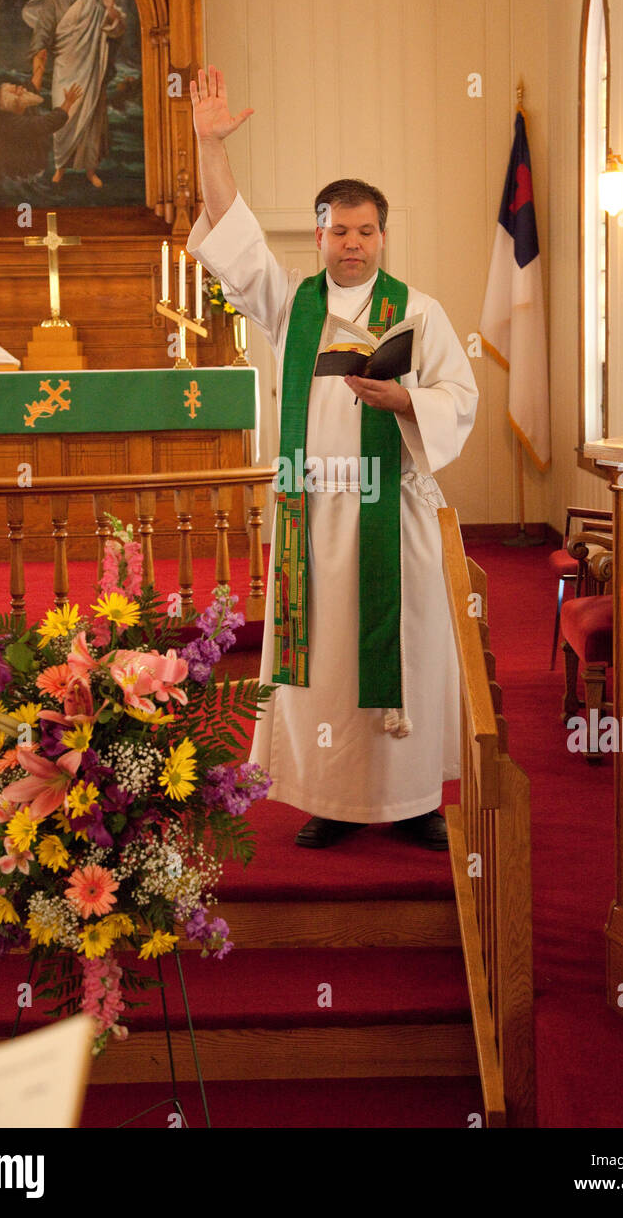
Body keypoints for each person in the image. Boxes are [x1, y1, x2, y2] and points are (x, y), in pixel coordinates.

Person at [187, 65, 479, 850]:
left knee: (404, 650)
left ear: (384, 235)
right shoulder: (292, 304)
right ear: (317, 235)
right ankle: (330, 797)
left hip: (395, 511)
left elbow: (462, 396)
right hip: (312, 514)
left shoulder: (420, 311)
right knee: (326, 665)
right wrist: (208, 145)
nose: (351, 243)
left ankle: (412, 797)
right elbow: (232, 234)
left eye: (365, 230)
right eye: (336, 230)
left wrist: (409, 401)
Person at [22, 0, 125, 188]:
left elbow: (115, 30)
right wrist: (38, 68)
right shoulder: (53, 2)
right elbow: (41, 37)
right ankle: (60, 167)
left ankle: (90, 170)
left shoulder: (93, 2)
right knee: (64, 118)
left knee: (90, 121)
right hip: (65, 69)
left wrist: (111, 11)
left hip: (90, 69)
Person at [0, 81, 83, 183]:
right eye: (17, 89)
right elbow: (49, 122)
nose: (22, 87)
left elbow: (31, 89)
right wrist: (68, 102)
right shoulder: (15, 124)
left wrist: (39, 67)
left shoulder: (14, 109)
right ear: (16, 101)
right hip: (20, 180)